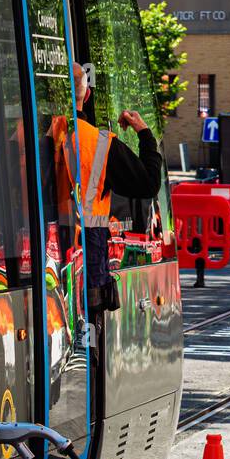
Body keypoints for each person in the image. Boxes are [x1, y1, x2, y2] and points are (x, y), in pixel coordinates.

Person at [72, 62, 163, 311]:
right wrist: (144, 134)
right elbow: (149, 184)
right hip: (87, 248)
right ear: (87, 94)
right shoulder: (98, 143)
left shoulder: (31, 135)